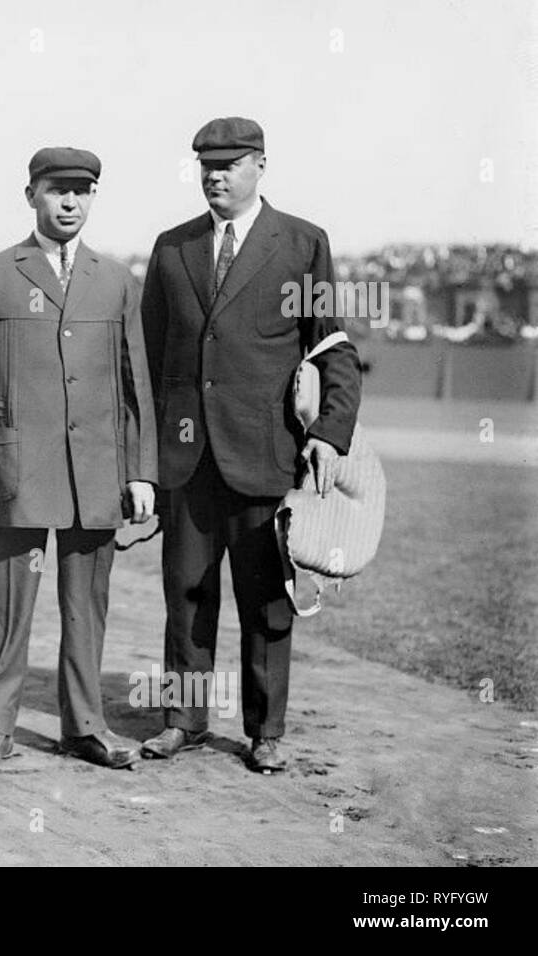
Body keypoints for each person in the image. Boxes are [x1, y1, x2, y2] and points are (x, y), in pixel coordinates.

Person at [139, 117, 361, 773]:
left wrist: (327, 435)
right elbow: (150, 362)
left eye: (229, 164)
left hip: (265, 458)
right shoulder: (171, 247)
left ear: (260, 164)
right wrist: (144, 463)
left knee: (264, 602)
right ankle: (183, 721)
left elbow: (332, 349)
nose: (215, 174)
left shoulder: (301, 243)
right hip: (186, 460)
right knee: (185, 596)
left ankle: (265, 731)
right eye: (205, 164)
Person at [0, 147, 157, 773]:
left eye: (82, 191)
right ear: (31, 194)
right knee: (9, 609)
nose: (70, 202)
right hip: (16, 476)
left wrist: (140, 474)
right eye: (57, 190)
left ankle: (86, 728)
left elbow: (133, 385)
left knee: (85, 609)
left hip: (96, 476)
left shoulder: (117, 280)